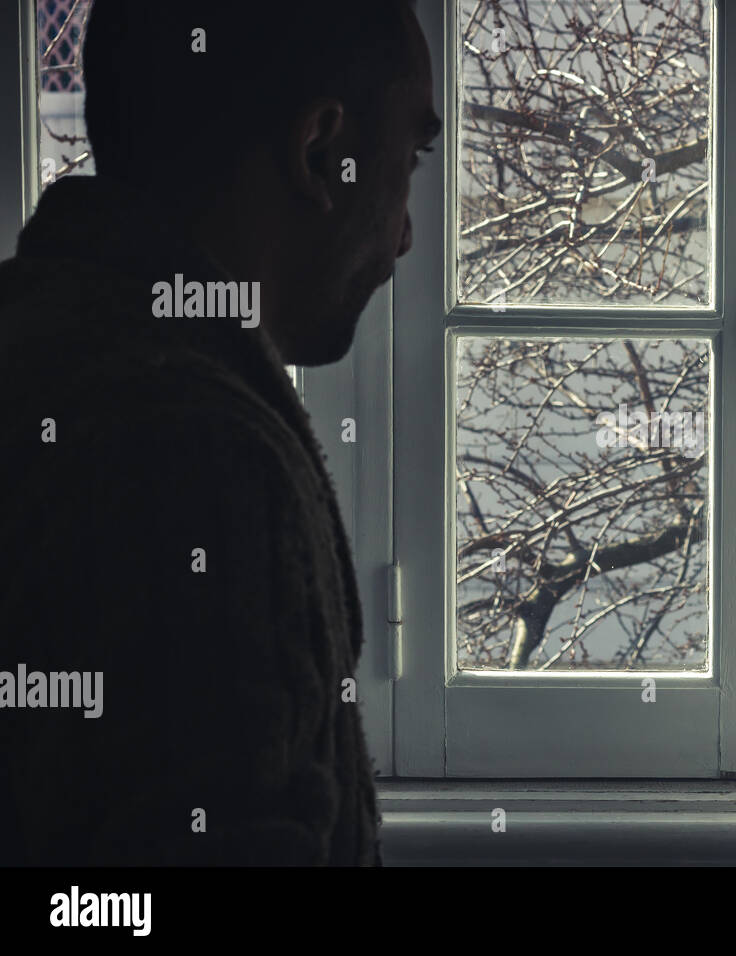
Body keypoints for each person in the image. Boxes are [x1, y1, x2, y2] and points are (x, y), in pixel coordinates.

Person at [0, 0, 438, 865]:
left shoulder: (35, 347)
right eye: (411, 159)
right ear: (320, 152)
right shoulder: (201, 464)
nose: (404, 235)